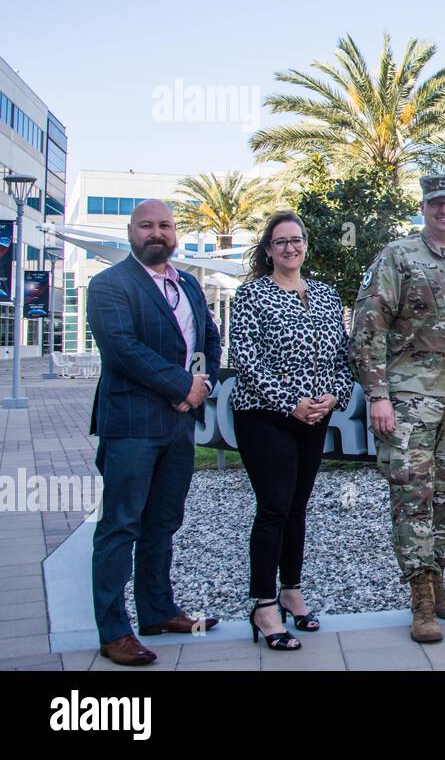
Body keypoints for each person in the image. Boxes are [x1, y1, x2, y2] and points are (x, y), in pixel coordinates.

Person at [350, 172, 445, 643]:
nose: (444, 210)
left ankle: (438, 584)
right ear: (423, 208)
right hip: (408, 400)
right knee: (412, 494)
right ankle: (420, 600)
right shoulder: (397, 257)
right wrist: (377, 395)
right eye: (435, 203)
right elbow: (368, 328)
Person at [86, 200, 222, 666]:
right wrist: (182, 385)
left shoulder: (188, 284)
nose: (156, 233)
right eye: (146, 225)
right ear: (130, 232)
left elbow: (208, 338)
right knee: (120, 526)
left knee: (163, 523)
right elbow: (123, 349)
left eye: (164, 225)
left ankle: (158, 610)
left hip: (179, 425)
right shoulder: (109, 285)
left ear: (175, 232)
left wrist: (200, 385)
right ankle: (114, 631)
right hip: (131, 426)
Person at [229, 211, 353, 650]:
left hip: (315, 417)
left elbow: (344, 358)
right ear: (268, 250)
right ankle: (263, 605)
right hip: (264, 415)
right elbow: (244, 358)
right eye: (280, 242)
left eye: (296, 240)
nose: (289, 248)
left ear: (305, 245)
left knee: (298, 505)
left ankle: (291, 590)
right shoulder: (251, 295)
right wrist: (290, 402)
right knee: (274, 507)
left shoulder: (324, 294)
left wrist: (334, 397)